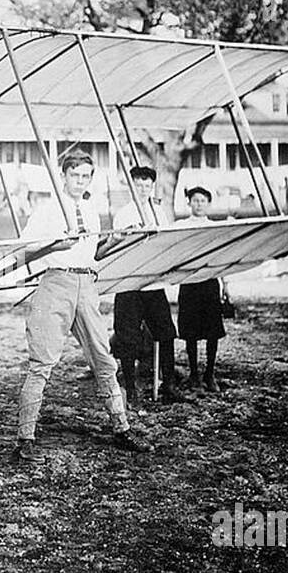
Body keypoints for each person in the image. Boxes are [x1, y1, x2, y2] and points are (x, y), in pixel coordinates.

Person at [13, 153, 150, 462]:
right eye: (76, 176)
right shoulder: (47, 210)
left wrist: (116, 239)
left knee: (104, 359)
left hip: (86, 285)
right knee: (42, 363)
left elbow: (94, 253)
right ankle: (26, 439)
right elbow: (22, 252)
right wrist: (53, 246)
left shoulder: (90, 209)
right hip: (55, 285)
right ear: (64, 175)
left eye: (87, 176)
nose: (81, 182)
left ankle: (121, 428)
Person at [109, 166, 185, 406]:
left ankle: (169, 383)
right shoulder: (123, 214)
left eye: (147, 185)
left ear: (152, 187)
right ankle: (130, 389)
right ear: (131, 186)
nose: (143, 189)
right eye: (138, 185)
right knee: (127, 337)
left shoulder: (159, 212)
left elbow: (165, 243)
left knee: (166, 332)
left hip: (153, 284)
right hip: (130, 283)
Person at [177, 185, 228, 392]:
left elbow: (221, 259)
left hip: (209, 284)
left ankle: (210, 373)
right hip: (189, 284)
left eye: (203, 201)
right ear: (189, 202)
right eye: (195, 200)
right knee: (190, 331)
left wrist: (226, 284)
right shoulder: (181, 226)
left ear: (208, 204)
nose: (199, 204)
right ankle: (194, 374)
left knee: (212, 330)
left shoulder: (215, 228)